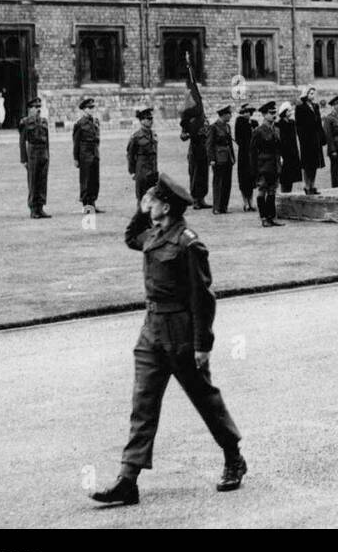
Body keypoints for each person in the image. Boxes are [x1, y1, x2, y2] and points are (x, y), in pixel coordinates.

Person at [90, 173, 246, 507]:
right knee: (143, 403)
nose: (150, 205)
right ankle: (127, 480)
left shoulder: (187, 243)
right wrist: (138, 206)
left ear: (167, 206)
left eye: (154, 201)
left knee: (204, 398)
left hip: (180, 333)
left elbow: (203, 297)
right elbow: (131, 237)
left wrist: (203, 343)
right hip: (151, 331)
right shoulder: (156, 233)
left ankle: (234, 457)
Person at [249, 101, 283, 227]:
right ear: (264, 114)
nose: (274, 115)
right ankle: (263, 217)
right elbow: (252, 152)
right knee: (262, 190)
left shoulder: (276, 129)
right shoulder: (259, 131)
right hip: (263, 165)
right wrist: (254, 170)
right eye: (271, 113)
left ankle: (271, 217)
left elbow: (279, 147)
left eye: (275, 112)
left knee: (272, 191)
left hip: (274, 164)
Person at [18, 96, 51, 218]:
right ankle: (33, 209)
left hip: (43, 153)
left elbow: (47, 141)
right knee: (33, 181)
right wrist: (24, 159)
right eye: (35, 107)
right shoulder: (25, 122)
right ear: (30, 109)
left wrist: (48, 155)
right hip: (33, 153)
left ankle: (40, 207)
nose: (38, 109)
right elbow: (22, 142)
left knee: (42, 181)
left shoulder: (44, 122)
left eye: (39, 107)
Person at [179, 101, 211, 210]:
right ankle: (195, 200)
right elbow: (183, 136)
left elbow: (209, 133)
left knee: (204, 175)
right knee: (195, 175)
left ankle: (202, 199)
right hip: (194, 150)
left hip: (204, 150)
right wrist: (189, 134)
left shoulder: (205, 121)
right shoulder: (190, 122)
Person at [72, 97, 101, 213]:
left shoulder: (96, 121)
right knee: (86, 180)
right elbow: (76, 142)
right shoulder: (80, 124)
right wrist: (76, 158)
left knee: (95, 180)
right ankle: (86, 205)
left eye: (93, 107)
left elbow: (97, 138)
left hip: (94, 153)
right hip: (85, 154)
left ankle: (93, 203)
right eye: (89, 108)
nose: (92, 110)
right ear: (84, 110)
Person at [295, 86, 325, 195]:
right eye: (311, 93)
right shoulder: (300, 107)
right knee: (307, 163)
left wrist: (322, 137)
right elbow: (298, 125)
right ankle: (307, 185)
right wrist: (302, 139)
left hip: (315, 139)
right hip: (306, 140)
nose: (313, 95)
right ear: (306, 95)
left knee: (315, 163)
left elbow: (319, 122)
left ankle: (313, 184)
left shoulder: (315, 106)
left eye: (314, 93)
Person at [206, 105, 235, 214]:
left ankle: (224, 206)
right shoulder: (213, 127)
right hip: (218, 158)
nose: (231, 116)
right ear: (224, 115)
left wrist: (232, 157)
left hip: (227, 158)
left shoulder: (227, 126)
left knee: (227, 183)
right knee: (218, 182)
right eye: (229, 114)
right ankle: (217, 207)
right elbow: (209, 145)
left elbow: (230, 144)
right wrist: (212, 159)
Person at [126, 107, 159, 201]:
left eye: (151, 118)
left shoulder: (154, 134)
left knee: (153, 199)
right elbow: (130, 155)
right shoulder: (136, 136)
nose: (151, 121)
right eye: (148, 119)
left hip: (153, 172)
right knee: (142, 200)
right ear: (141, 121)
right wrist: (132, 172)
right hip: (142, 172)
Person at [234, 104, 258, 212]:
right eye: (245, 112)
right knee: (244, 178)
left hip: (252, 153)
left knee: (251, 178)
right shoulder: (240, 122)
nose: (247, 114)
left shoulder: (254, 123)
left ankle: (251, 201)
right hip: (243, 153)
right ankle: (245, 202)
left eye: (249, 111)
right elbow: (238, 138)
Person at [277, 104, 301, 194]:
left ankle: (289, 193)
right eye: (288, 111)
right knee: (284, 178)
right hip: (284, 153)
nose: (290, 113)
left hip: (292, 153)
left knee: (291, 177)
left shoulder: (292, 123)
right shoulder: (279, 124)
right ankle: (284, 194)